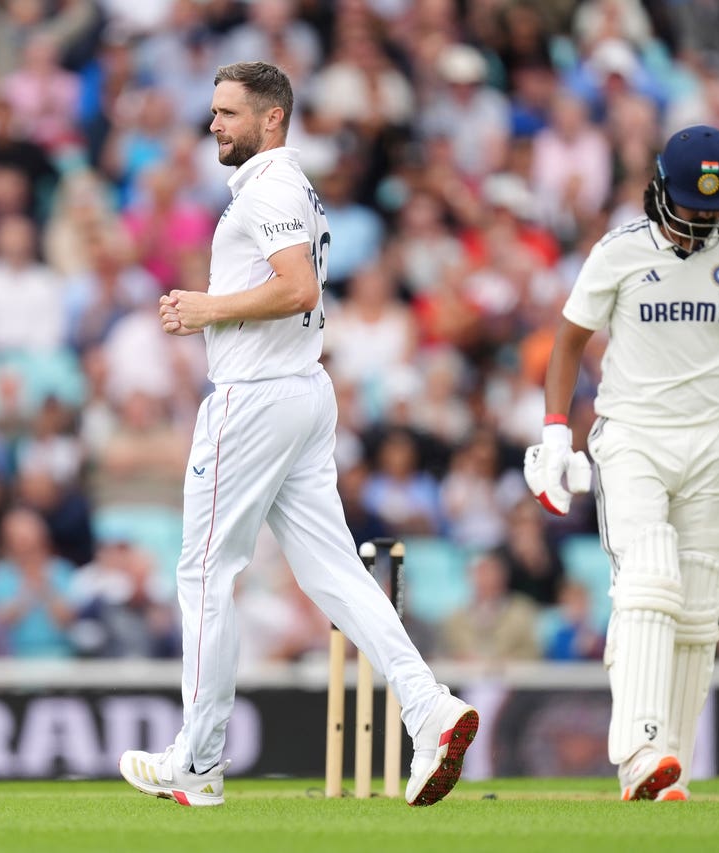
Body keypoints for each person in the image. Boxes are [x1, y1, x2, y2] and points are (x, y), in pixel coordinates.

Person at [118, 61, 478, 808]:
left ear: (272, 118)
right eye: (213, 112)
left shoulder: (274, 187)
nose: (213, 124)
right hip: (301, 393)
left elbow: (297, 288)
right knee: (335, 573)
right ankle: (430, 707)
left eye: (227, 113)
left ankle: (199, 762)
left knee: (204, 575)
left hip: (254, 400)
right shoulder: (287, 185)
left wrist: (205, 309)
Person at [526, 125, 719, 801]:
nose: (703, 222)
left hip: (714, 440)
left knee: (697, 611)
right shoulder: (619, 251)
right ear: (661, 190)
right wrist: (556, 435)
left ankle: (672, 768)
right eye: (692, 208)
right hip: (633, 434)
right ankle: (638, 748)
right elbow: (567, 342)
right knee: (648, 576)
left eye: (716, 209)